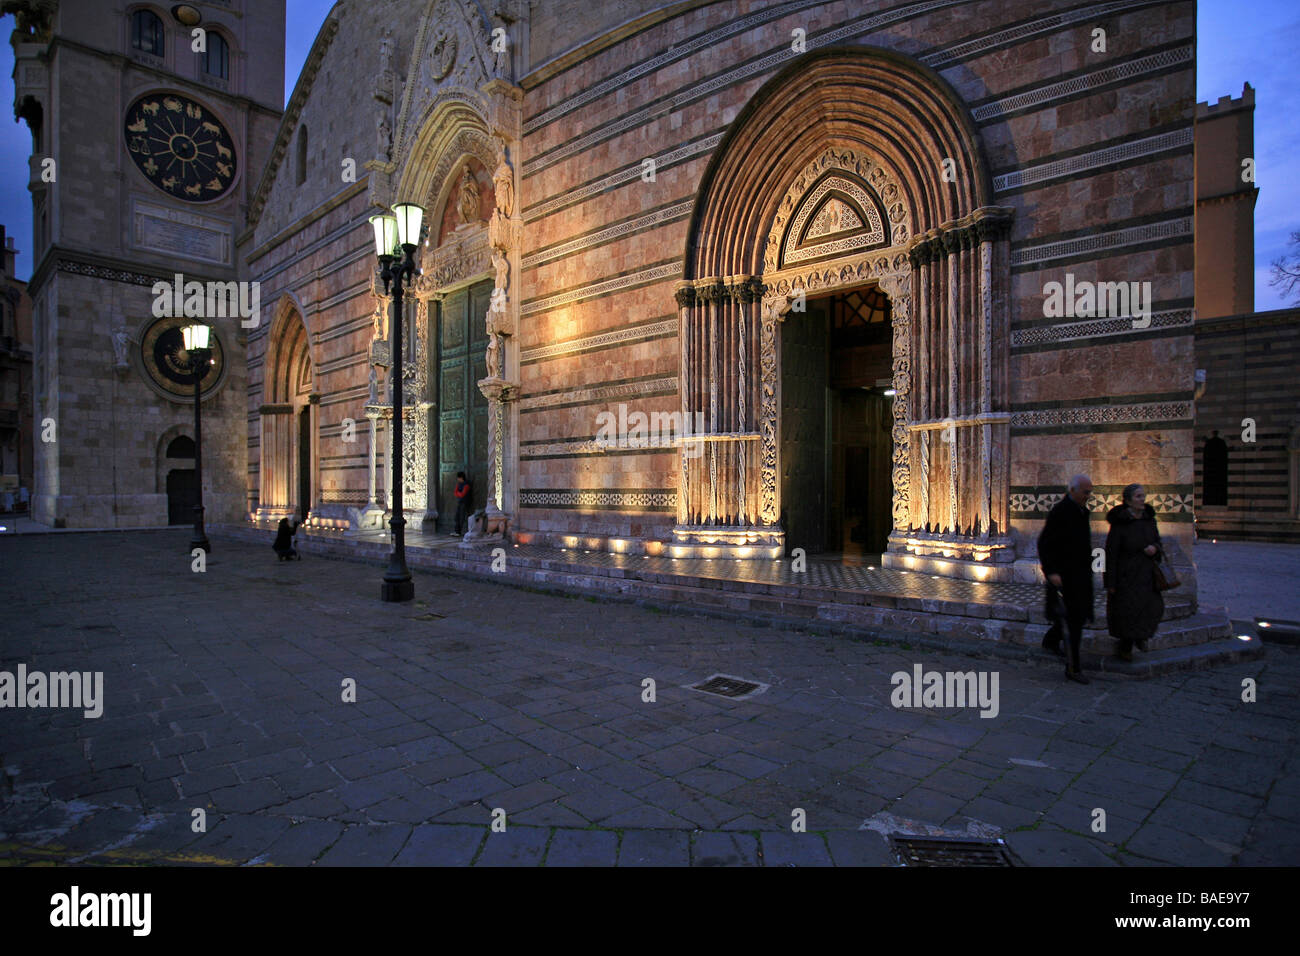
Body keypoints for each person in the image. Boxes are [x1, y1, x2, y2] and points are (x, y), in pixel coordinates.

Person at [1037, 474, 1095, 684]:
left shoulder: (1081, 511)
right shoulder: (1061, 512)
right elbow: (1045, 543)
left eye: (1090, 492)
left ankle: (1050, 641)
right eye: (1085, 492)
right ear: (1073, 490)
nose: (1088, 496)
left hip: (1079, 576)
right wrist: (1051, 572)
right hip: (1065, 577)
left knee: (1074, 618)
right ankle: (1073, 667)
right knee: (1073, 623)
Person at [1104, 483, 1165, 661]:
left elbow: (1158, 541)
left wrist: (1155, 548)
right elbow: (1111, 553)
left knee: (1151, 608)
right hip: (1127, 576)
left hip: (1147, 575)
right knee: (1127, 612)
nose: (1142, 499)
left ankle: (1141, 637)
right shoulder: (1120, 524)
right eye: (1138, 496)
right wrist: (1111, 582)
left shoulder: (1148, 519)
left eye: (1143, 496)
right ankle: (1126, 646)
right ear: (1128, 500)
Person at [453, 471, 472, 535]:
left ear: (461, 478)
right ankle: (456, 531)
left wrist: (458, 493)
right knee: (457, 516)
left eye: (458, 478)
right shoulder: (459, 484)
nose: (457, 479)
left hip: (465, 503)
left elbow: (462, 494)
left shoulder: (466, 485)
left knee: (462, 517)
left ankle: (460, 531)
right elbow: (455, 492)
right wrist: (459, 493)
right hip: (460, 502)